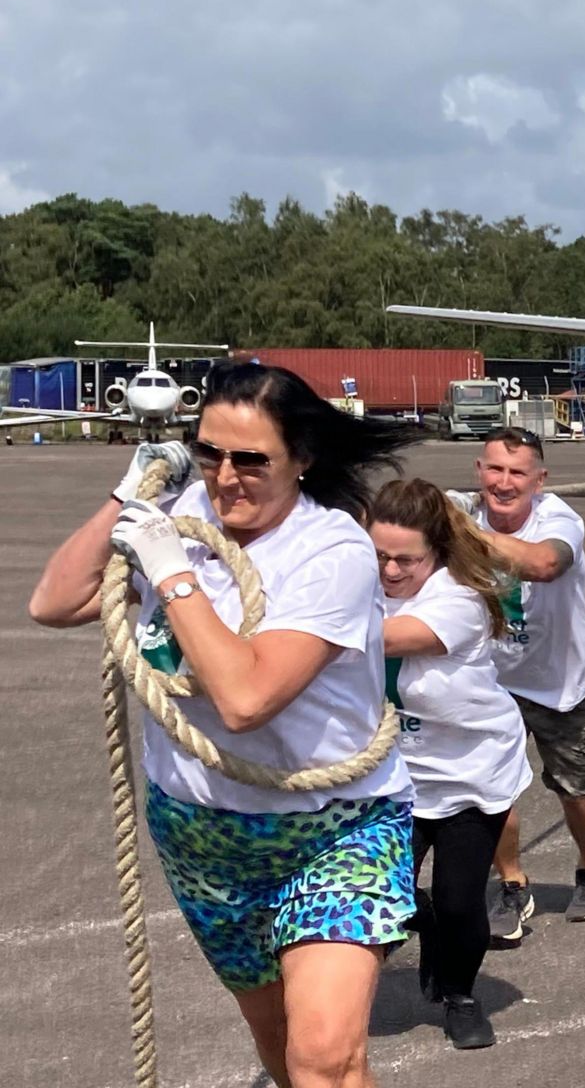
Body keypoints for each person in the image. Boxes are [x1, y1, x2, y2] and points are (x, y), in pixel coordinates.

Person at [30, 363, 424, 1088]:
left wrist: (172, 574)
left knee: (325, 1058)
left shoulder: (331, 551)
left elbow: (247, 700)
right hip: (205, 837)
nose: (225, 476)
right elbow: (54, 603)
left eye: (251, 459)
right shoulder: (179, 514)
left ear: (301, 459)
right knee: (278, 1043)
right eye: (209, 453)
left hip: (333, 829)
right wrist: (131, 490)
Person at [368, 478, 532, 1051]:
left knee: (463, 900)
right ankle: (424, 920)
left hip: (470, 772)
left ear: (435, 551)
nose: (389, 571)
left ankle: (461, 993)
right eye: (378, 555)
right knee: (378, 895)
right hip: (394, 778)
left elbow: (380, 639)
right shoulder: (360, 586)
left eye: (405, 560)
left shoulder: (457, 600)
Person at [459, 428, 585, 942]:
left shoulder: (558, 520)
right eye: (495, 469)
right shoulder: (465, 516)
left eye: (517, 472)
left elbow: (543, 565)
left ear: (539, 480)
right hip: (492, 682)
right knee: (492, 791)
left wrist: (453, 527)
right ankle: (512, 884)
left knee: (578, 792)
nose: (504, 482)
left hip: (562, 683)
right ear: (479, 469)